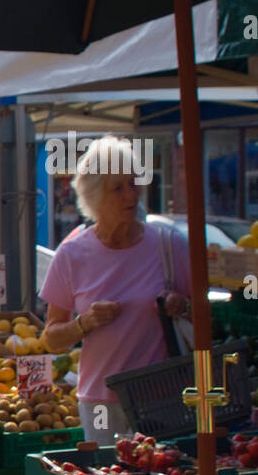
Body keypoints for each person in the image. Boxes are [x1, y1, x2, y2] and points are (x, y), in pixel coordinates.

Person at [41, 136, 191, 443]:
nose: (130, 196)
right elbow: (51, 339)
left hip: (161, 398)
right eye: (118, 188)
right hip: (99, 402)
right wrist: (85, 323)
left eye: (134, 184)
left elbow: (204, 318)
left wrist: (182, 305)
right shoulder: (71, 256)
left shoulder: (169, 245)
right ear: (94, 196)